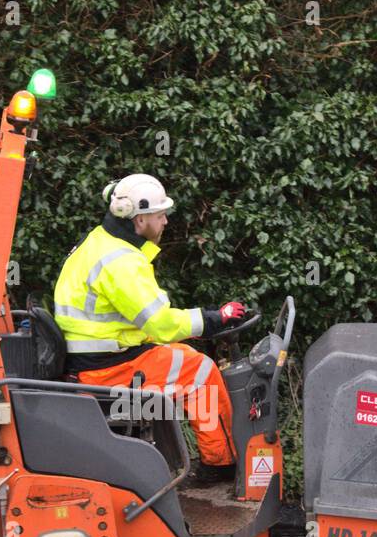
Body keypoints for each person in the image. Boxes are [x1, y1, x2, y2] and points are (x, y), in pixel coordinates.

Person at [53, 174, 247, 482]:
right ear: (140, 219)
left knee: (182, 354)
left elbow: (140, 322)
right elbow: (159, 324)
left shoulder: (99, 242)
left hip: (101, 357)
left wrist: (204, 323)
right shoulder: (121, 263)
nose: (166, 222)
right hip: (105, 371)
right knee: (200, 373)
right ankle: (221, 465)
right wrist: (215, 319)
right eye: (161, 215)